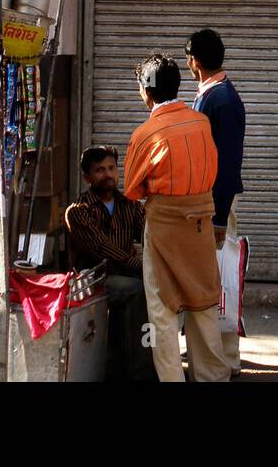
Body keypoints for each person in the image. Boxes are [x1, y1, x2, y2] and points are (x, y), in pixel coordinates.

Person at [123, 53, 230, 383]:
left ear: (146, 90)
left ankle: (171, 378)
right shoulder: (201, 123)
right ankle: (212, 376)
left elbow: (132, 189)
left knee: (162, 309)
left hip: (163, 227)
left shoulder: (145, 133)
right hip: (200, 223)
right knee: (203, 300)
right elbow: (214, 170)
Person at [65, 146, 155, 382]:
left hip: (128, 273)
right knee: (137, 289)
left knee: (157, 287)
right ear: (87, 177)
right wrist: (141, 266)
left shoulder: (131, 205)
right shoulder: (78, 211)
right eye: (100, 170)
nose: (108, 174)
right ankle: (140, 374)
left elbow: (149, 236)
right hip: (95, 280)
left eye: (112, 168)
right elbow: (103, 248)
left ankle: (153, 363)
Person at [185, 28, 246, 375]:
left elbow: (227, 164)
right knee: (217, 280)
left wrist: (220, 217)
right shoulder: (211, 94)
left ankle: (223, 360)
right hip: (210, 203)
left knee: (217, 282)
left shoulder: (220, 99)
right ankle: (224, 357)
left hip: (214, 204)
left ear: (194, 60)